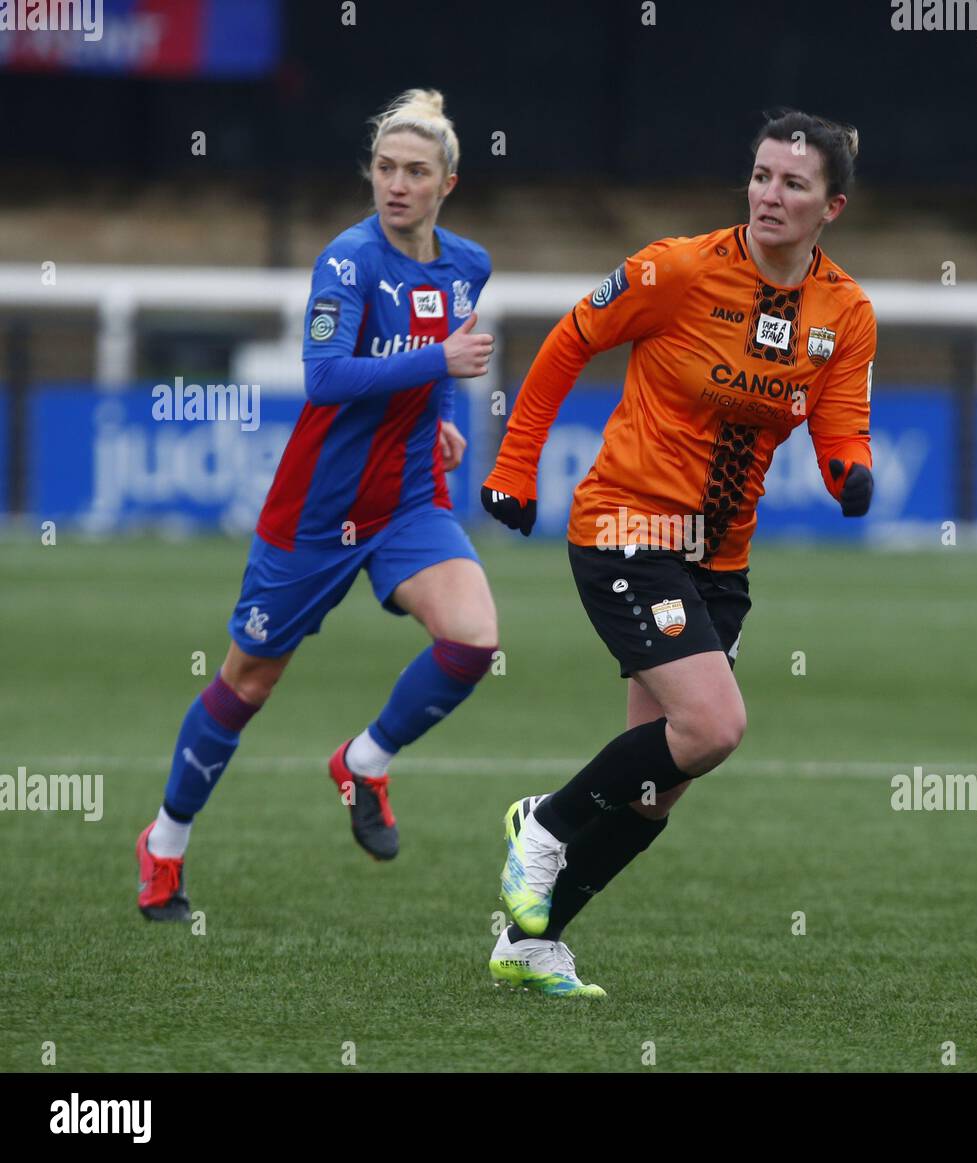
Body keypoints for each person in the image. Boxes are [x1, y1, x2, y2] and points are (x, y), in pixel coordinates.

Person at [480, 109, 876, 997]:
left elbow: (841, 422)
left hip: (719, 558)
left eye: (795, 184)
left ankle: (530, 943)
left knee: (659, 784)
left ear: (832, 206)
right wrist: (514, 464)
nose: (771, 195)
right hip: (628, 527)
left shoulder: (844, 312)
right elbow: (567, 342)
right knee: (714, 726)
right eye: (762, 175)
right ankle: (541, 825)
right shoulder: (678, 269)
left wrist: (853, 471)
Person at [136, 88, 498, 921]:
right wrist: (439, 363)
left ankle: (364, 761)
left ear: (449, 183)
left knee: (475, 637)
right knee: (248, 684)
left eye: (415, 171)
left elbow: (444, 364)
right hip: (316, 509)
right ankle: (163, 846)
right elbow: (326, 378)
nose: (396, 185)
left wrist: (444, 421)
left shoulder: (466, 264)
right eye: (383, 168)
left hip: (408, 497)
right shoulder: (349, 260)